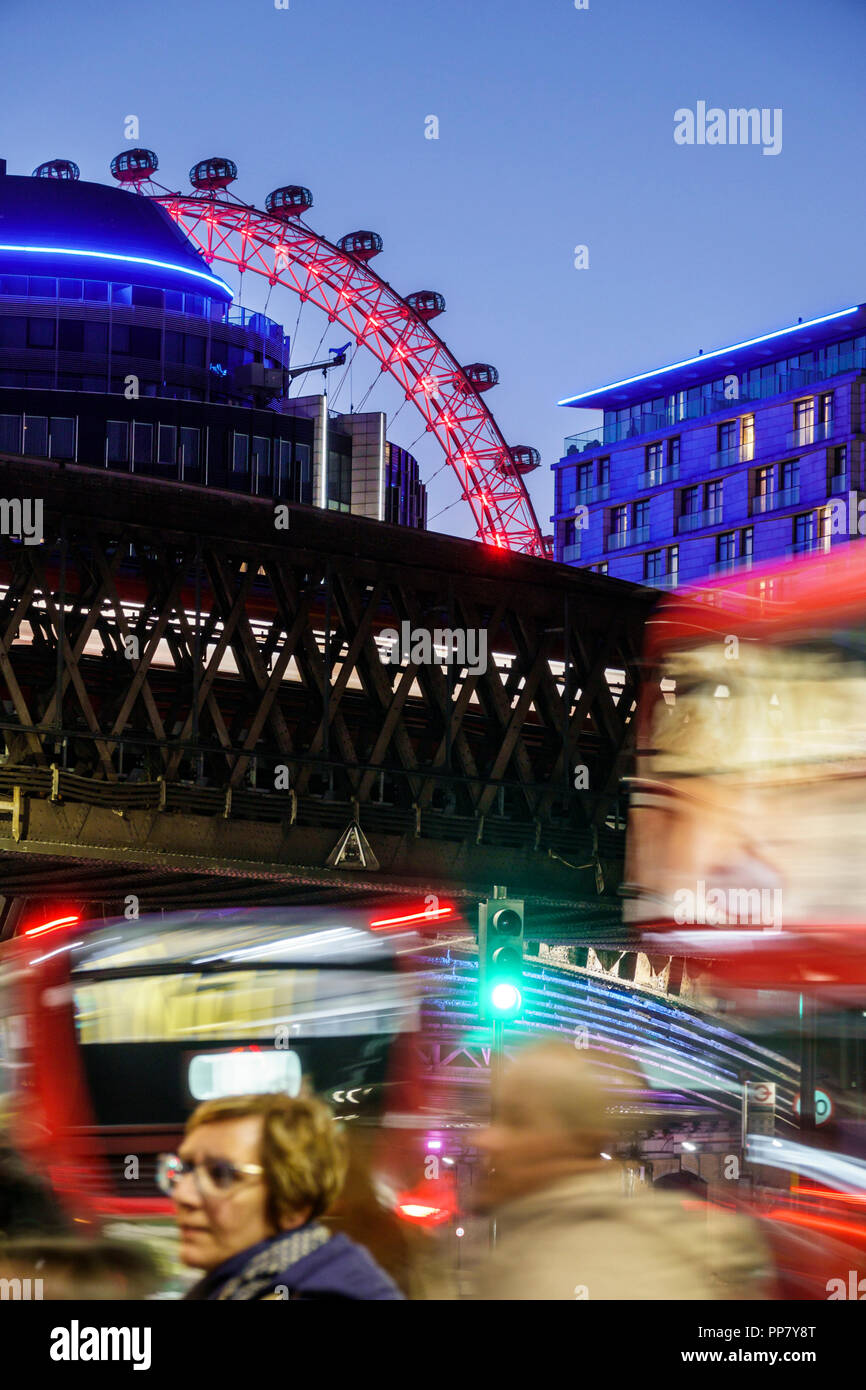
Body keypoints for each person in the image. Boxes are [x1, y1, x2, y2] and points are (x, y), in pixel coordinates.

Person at [471, 1041, 772, 1301]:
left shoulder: (591, 1272)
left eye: (516, 1120)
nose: (483, 1138)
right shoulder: (539, 1244)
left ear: (574, 1141)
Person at [161, 1092, 403, 1300]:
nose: (182, 1194)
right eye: (187, 1168)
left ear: (294, 1205)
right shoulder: (238, 1284)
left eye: (221, 1174)